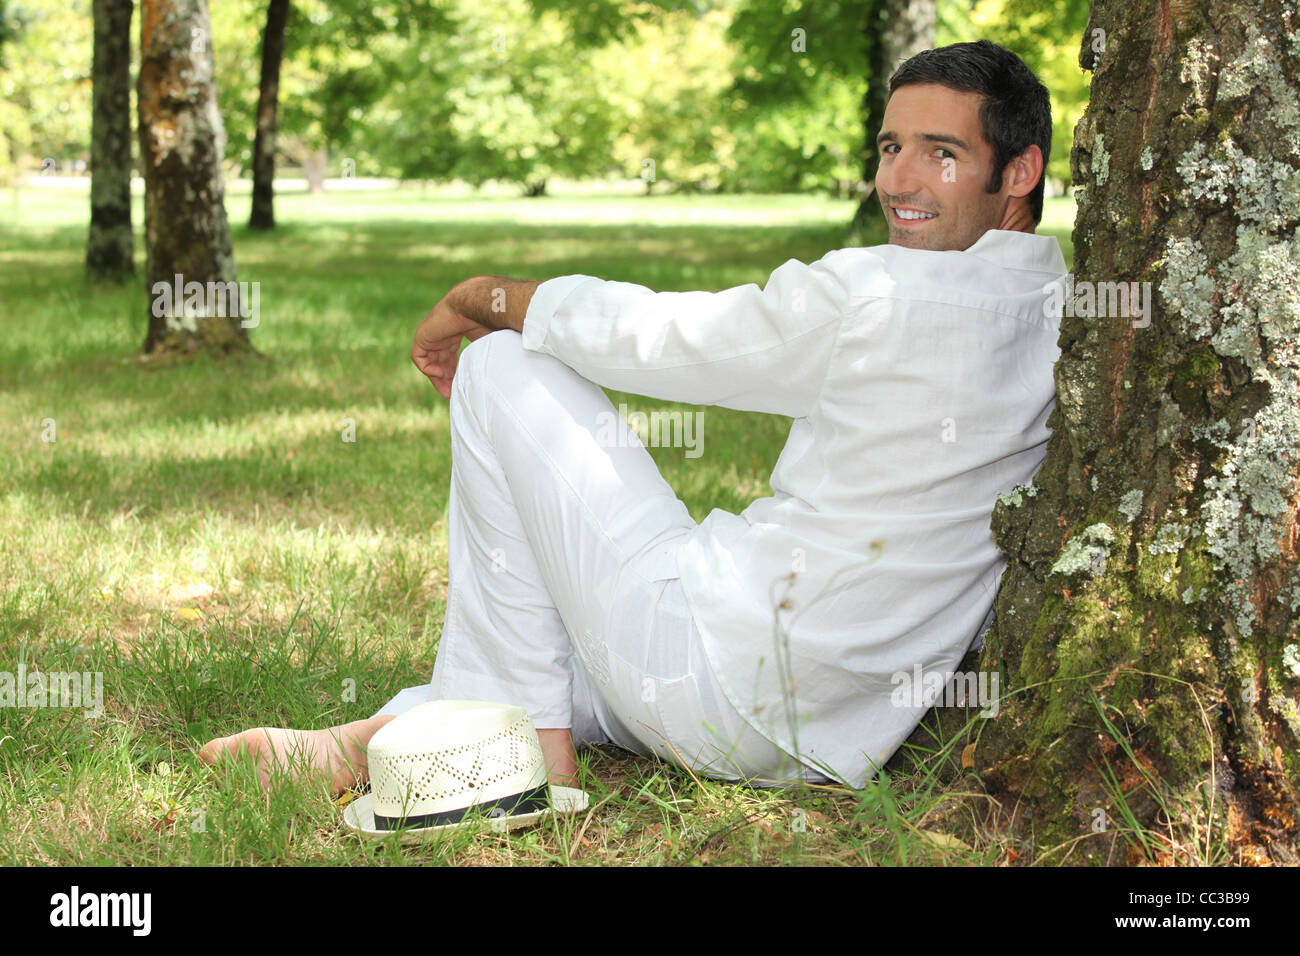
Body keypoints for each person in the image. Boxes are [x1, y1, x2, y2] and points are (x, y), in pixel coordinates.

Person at [200, 39, 1065, 795]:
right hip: (833, 733)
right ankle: (406, 733)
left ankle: (516, 752)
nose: (899, 180)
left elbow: (663, 338)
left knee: (502, 366)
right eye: (891, 146)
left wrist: (488, 296)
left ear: (1017, 169)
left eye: (941, 152)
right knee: (553, 643)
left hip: (727, 676)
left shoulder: (877, 291)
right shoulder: (1066, 312)